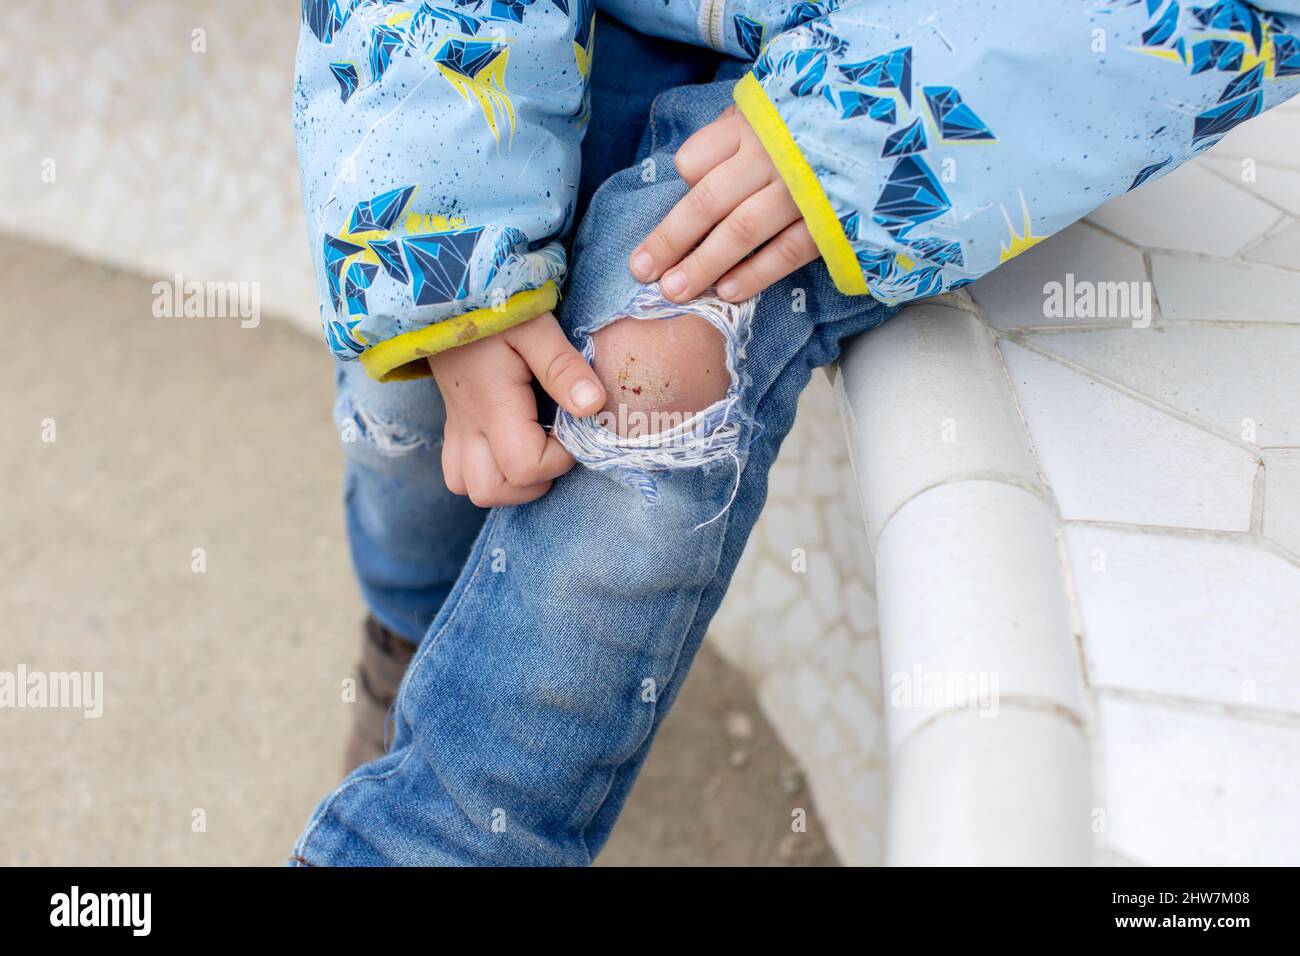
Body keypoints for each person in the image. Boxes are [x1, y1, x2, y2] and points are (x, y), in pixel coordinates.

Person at [292, 0, 1300, 864]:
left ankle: (434, 839)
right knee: (419, 394)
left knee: (654, 367)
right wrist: (443, 225)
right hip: (542, 29)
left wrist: (869, 120)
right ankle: (407, 632)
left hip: (922, 68)